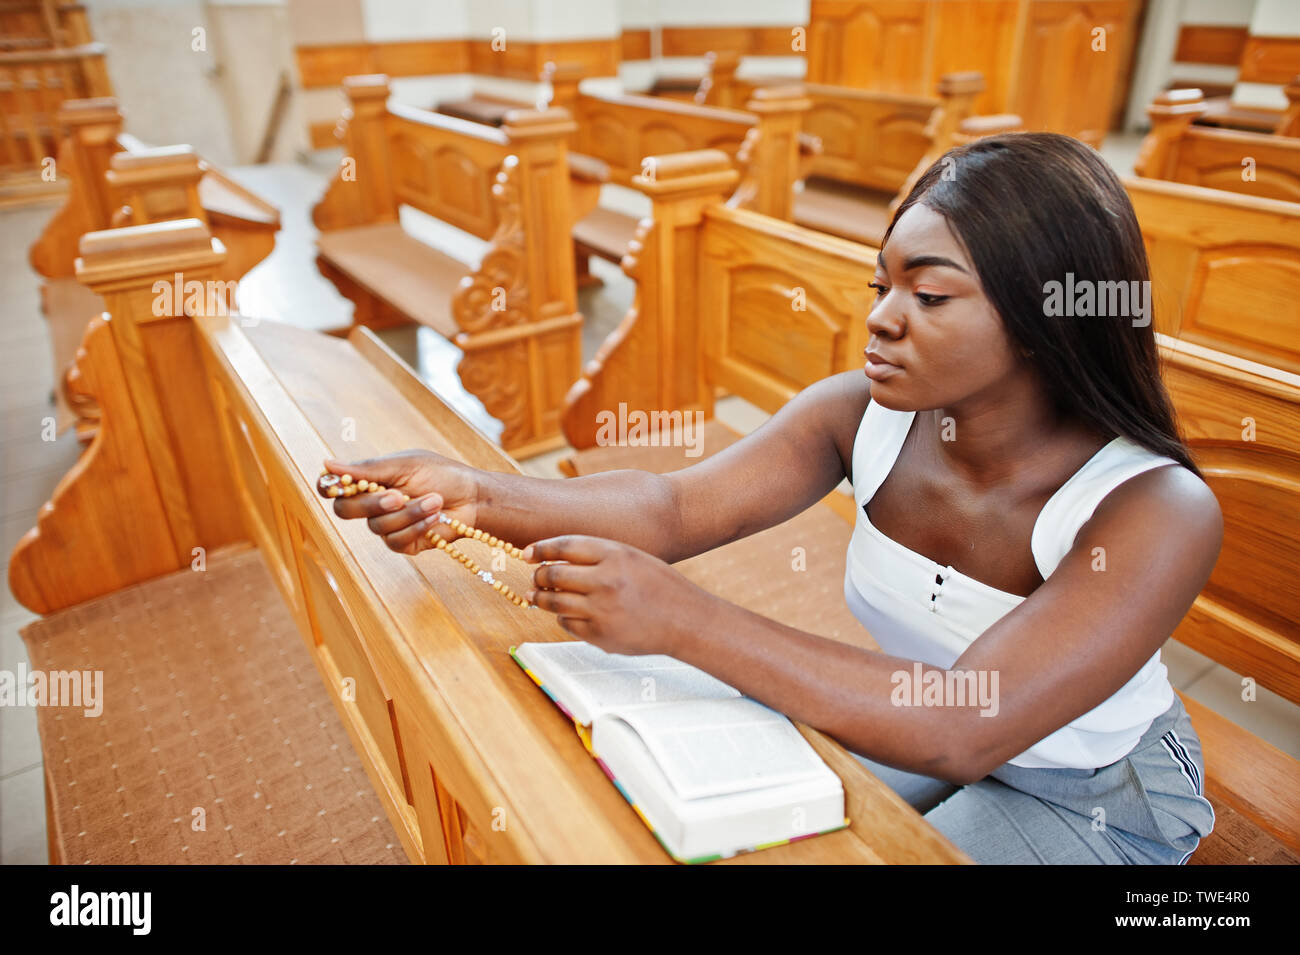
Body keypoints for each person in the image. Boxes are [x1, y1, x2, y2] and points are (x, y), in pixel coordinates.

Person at [319, 133, 1220, 864]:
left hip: (1100, 788)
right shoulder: (859, 414)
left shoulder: (1154, 509)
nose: (881, 316)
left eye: (930, 292)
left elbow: (962, 724)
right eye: (882, 284)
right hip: (928, 723)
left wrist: (685, 622)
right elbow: (672, 509)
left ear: (1047, 316)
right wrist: (476, 492)